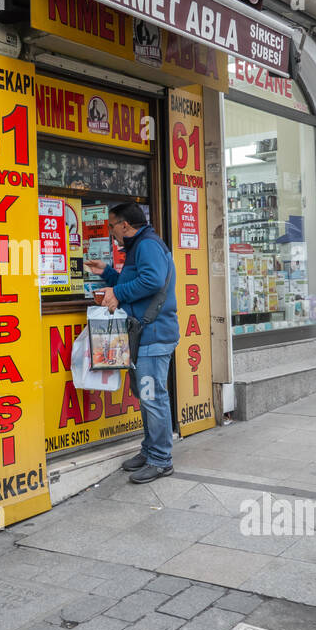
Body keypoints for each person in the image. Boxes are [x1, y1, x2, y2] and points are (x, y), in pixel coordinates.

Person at [85, 203, 178, 485]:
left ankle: (161, 460)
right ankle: (150, 450)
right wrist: (108, 273)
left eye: (112, 225)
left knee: (152, 397)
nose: (110, 231)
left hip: (153, 335)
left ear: (125, 225)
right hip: (143, 337)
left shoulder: (147, 245)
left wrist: (117, 291)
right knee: (146, 397)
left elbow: (152, 280)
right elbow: (136, 279)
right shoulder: (139, 246)